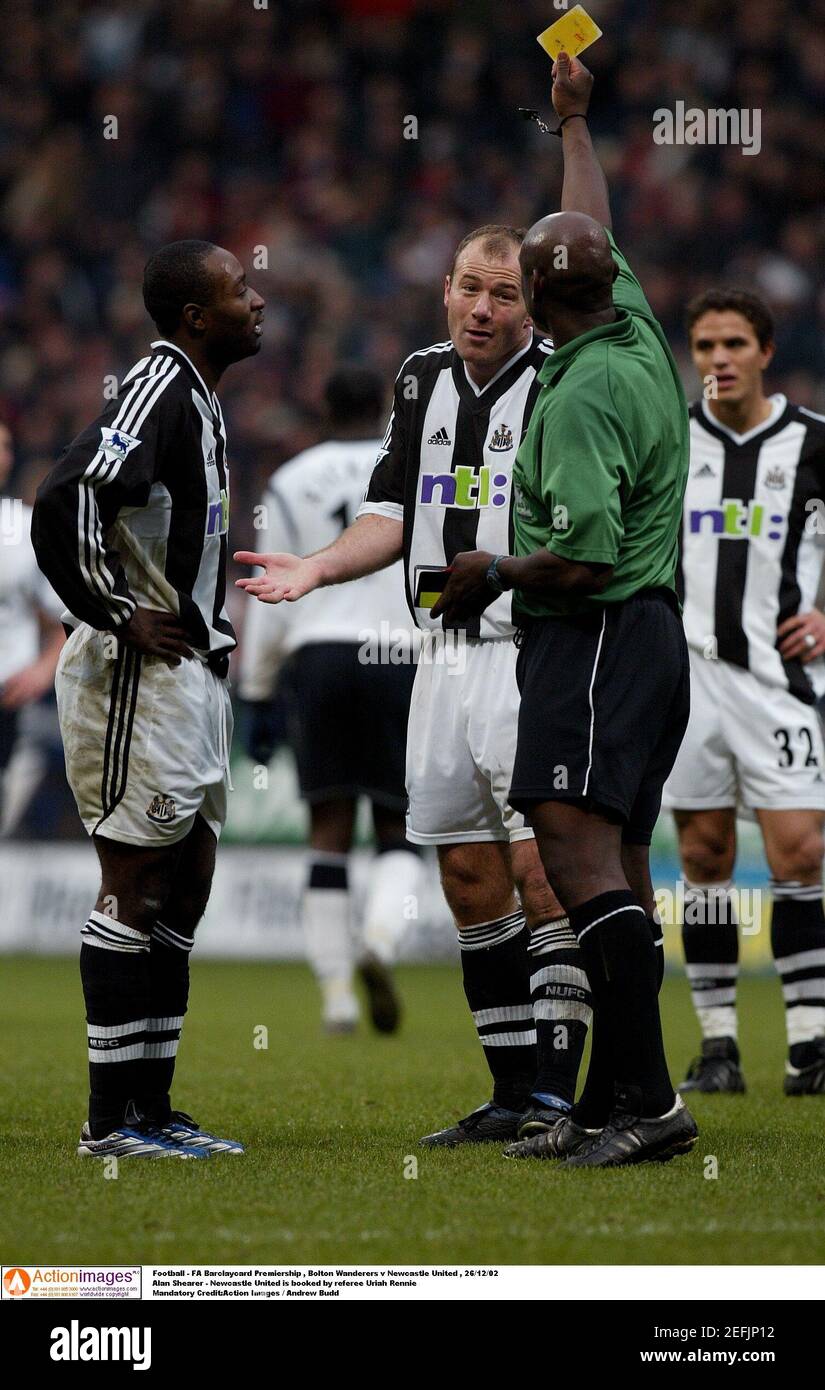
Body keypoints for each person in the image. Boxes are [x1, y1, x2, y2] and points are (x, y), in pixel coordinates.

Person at [236, 154, 601, 1148]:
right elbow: (391, 512)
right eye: (469, 288)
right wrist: (315, 569)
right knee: (467, 875)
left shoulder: (563, 381)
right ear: (444, 289)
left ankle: (560, 1096)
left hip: (530, 652)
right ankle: (511, 1093)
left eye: (504, 294)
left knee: (541, 871)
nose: (482, 308)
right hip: (436, 656)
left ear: (532, 305)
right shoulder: (419, 378)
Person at [433, 52, 698, 1168]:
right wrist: (573, 122)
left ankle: (652, 1106)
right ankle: (609, 1100)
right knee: (620, 870)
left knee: (581, 871)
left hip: (594, 638)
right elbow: (592, 224)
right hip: (652, 641)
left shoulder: (583, 391)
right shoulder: (630, 326)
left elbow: (582, 558)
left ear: (537, 301)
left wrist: (489, 571)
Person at [31, 239, 265, 1158]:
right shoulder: (158, 384)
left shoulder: (197, 395)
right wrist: (118, 611)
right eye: (239, 290)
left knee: (186, 885)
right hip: (136, 675)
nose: (256, 300)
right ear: (196, 316)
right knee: (135, 885)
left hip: (190, 673)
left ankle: (152, 1109)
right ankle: (108, 1123)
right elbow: (68, 496)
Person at [662, 289, 825, 1097]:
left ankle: (808, 1043)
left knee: (801, 851)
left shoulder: (813, 444)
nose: (717, 360)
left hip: (777, 682)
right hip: (687, 682)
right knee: (703, 857)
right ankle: (718, 1046)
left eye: (731, 344)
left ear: (764, 351)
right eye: (703, 346)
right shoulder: (668, 440)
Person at [239, 365, 422, 1034]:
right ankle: (381, 940)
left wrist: (256, 691)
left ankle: (337, 997)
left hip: (317, 655)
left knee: (328, 828)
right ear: (384, 409)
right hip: (399, 653)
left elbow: (270, 588)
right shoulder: (411, 466)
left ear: (323, 410)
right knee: (401, 826)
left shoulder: (292, 478)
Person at [0, 423, 65, 826]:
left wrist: (41, 671)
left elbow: (67, 617)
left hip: (8, 703)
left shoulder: (24, 529)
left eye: (7, 446)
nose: (2, 455)